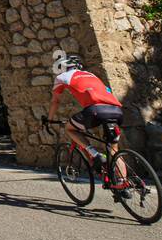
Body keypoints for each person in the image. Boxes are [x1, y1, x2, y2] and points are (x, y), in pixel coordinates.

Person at [43, 55, 130, 186]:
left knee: (70, 128)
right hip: (116, 110)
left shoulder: (62, 78)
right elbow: (107, 91)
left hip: (95, 111)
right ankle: (123, 183)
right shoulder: (91, 75)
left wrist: (49, 120)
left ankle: (95, 154)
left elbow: (55, 101)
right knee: (114, 149)